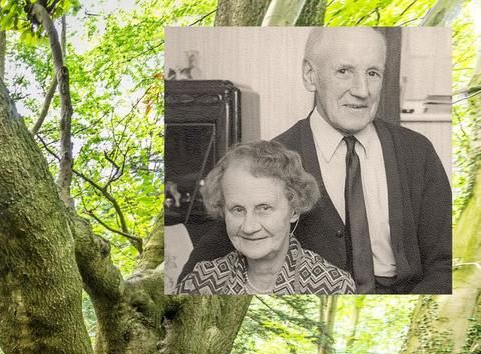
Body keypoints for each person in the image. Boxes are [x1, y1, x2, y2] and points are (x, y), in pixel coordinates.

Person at [177, 27, 452, 294]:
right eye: (344, 71)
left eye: (372, 73)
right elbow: (207, 264)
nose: (362, 90)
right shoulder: (271, 163)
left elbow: (445, 263)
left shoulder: (417, 152)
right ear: (310, 76)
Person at [178, 141, 354, 295]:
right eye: (237, 209)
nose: (249, 227)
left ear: (294, 210)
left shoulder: (333, 286)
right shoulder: (200, 281)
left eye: (264, 208)